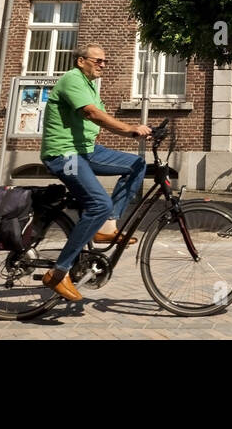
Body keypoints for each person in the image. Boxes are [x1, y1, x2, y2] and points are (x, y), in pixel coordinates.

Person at [40, 43, 151, 301]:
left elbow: (96, 116)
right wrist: (129, 128)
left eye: (105, 61)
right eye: (98, 60)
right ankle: (59, 273)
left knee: (137, 164)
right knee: (98, 202)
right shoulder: (72, 79)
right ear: (81, 61)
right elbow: (92, 114)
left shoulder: (90, 84)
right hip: (64, 153)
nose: (103, 64)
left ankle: (107, 226)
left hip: (86, 150)